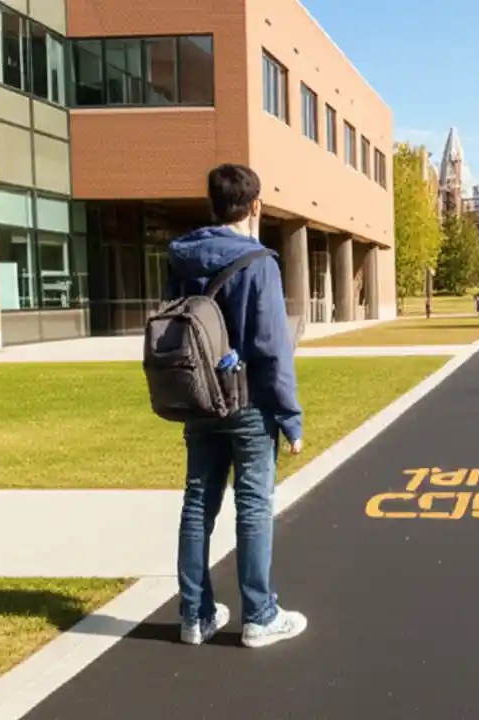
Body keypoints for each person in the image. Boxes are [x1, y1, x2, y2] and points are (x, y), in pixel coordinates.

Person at [164, 163, 308, 649]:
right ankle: (259, 615)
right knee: (252, 505)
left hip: (199, 398)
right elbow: (270, 347)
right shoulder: (258, 263)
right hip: (247, 403)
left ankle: (194, 615)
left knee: (197, 504)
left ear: (212, 206)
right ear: (255, 207)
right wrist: (290, 418)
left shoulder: (181, 259)